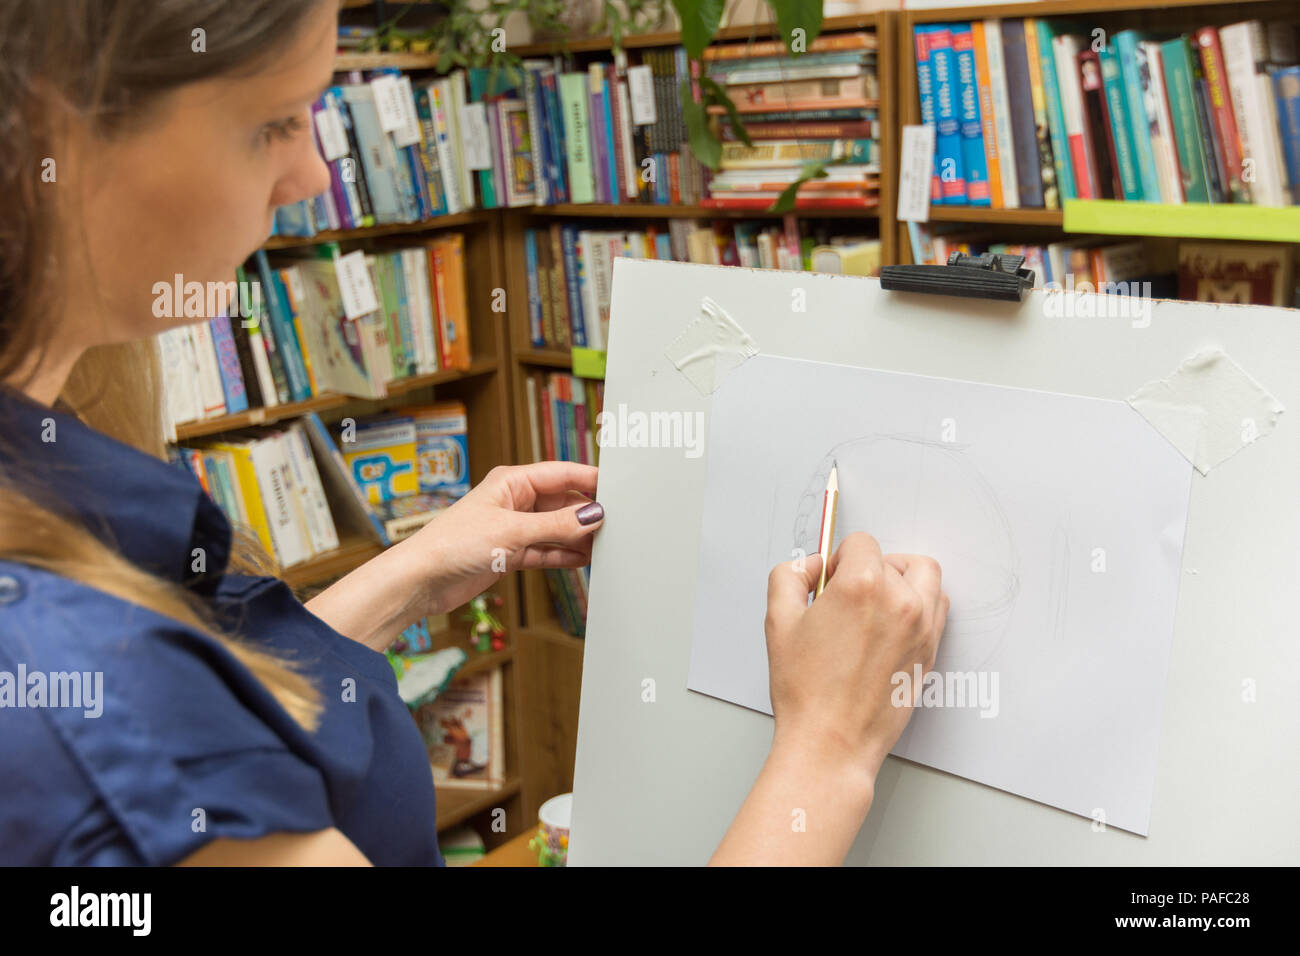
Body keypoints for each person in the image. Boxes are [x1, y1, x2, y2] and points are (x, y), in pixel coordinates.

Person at [0, 0, 948, 866]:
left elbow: (211, 685)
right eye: (273, 123)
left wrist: (408, 576)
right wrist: (828, 754)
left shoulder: (54, 487)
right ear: (59, 135)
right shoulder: (88, 700)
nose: (309, 175)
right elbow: (153, 718)